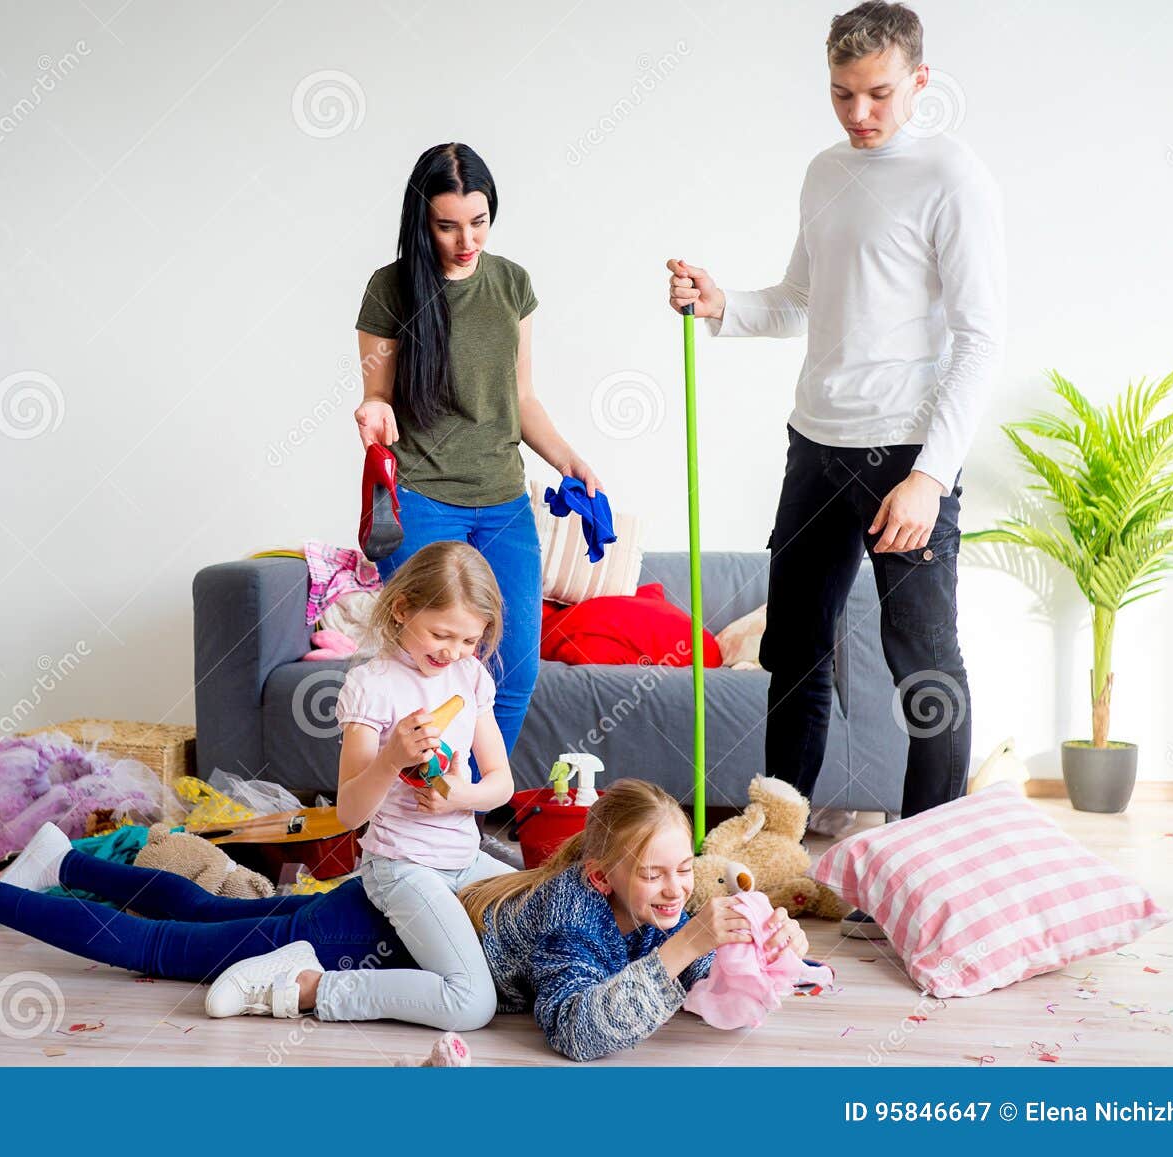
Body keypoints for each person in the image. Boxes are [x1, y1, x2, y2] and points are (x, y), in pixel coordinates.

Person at [665, 1, 1006, 938]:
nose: (860, 113)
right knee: (794, 651)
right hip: (815, 445)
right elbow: (801, 300)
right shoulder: (825, 171)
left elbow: (981, 339)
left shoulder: (953, 177)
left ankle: (926, 876)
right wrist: (722, 304)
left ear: (920, 82)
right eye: (842, 94)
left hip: (908, 456)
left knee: (924, 666)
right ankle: (781, 857)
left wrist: (931, 477)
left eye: (879, 94)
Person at [353, 141, 601, 758]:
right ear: (422, 221)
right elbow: (377, 393)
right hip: (422, 498)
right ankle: (411, 805)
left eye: (479, 222)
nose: (467, 240)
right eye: (447, 226)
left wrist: (566, 458)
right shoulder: (391, 289)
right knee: (423, 669)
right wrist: (374, 409)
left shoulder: (511, 284)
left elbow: (521, 396)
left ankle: (471, 804)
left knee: (513, 672)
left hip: (502, 500)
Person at [206, 542, 515, 1031]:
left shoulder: (471, 677)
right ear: (402, 609)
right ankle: (310, 986)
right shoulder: (373, 684)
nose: (452, 652)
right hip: (402, 866)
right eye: (440, 634)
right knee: (472, 1004)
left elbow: (501, 784)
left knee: (546, 915)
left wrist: (461, 796)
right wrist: (392, 758)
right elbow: (349, 812)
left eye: (468, 640)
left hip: (465, 858)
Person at [458, 780, 808, 1061]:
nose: (675, 891)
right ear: (601, 877)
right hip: (454, 962)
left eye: (685, 869)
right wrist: (687, 943)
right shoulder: (572, 918)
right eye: (653, 875)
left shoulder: (652, 908)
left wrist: (765, 950)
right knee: (465, 1006)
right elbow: (575, 1034)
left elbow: (707, 981)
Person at [0, 821, 412, 1011]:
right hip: (359, 938)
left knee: (206, 910)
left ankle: (63, 862)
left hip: (368, 907)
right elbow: (453, 996)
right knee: (156, 945)